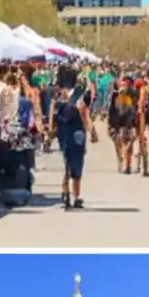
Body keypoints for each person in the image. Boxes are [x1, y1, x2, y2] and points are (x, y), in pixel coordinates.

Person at [49, 66, 90, 210]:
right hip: (77, 131)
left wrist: (50, 131)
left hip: (63, 132)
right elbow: (83, 113)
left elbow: (52, 116)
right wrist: (89, 130)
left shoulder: (57, 96)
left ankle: (65, 192)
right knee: (77, 162)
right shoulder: (79, 95)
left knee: (67, 161)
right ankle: (76, 196)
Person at [108, 76, 139, 174]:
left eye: (126, 84)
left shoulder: (133, 94)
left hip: (127, 122)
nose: (124, 86)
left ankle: (127, 166)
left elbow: (134, 108)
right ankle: (121, 162)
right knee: (118, 144)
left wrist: (134, 122)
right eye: (122, 84)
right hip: (116, 122)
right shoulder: (115, 95)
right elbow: (111, 108)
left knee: (127, 143)